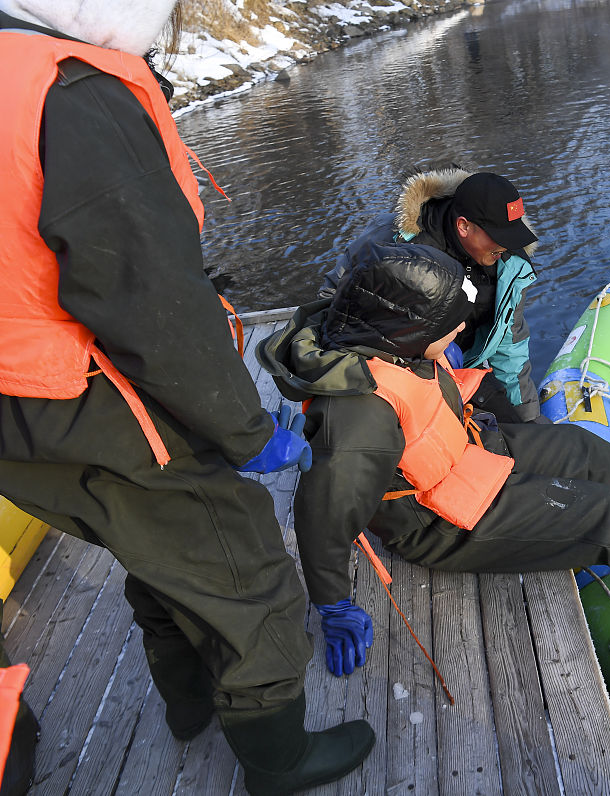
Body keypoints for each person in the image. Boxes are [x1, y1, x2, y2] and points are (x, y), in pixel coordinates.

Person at [0, 3, 373, 792]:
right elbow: (152, 303)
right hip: (79, 395)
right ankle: (277, 758)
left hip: (16, 404)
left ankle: (187, 703)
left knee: (153, 542)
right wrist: (246, 428)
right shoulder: (65, 94)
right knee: (241, 562)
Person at [259, 241, 610, 677]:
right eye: (447, 329)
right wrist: (333, 603)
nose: (457, 336)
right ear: (406, 334)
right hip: (440, 521)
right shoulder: (357, 423)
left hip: (467, 453)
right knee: (601, 512)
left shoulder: (379, 340)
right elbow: (323, 516)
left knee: (580, 447)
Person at [318, 168, 543, 423]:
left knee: (524, 430)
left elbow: (510, 347)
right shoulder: (391, 245)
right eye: (499, 237)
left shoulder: (510, 264)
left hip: (467, 371)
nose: (505, 248)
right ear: (464, 226)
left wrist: (527, 417)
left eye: (512, 236)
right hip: (403, 374)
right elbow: (332, 304)